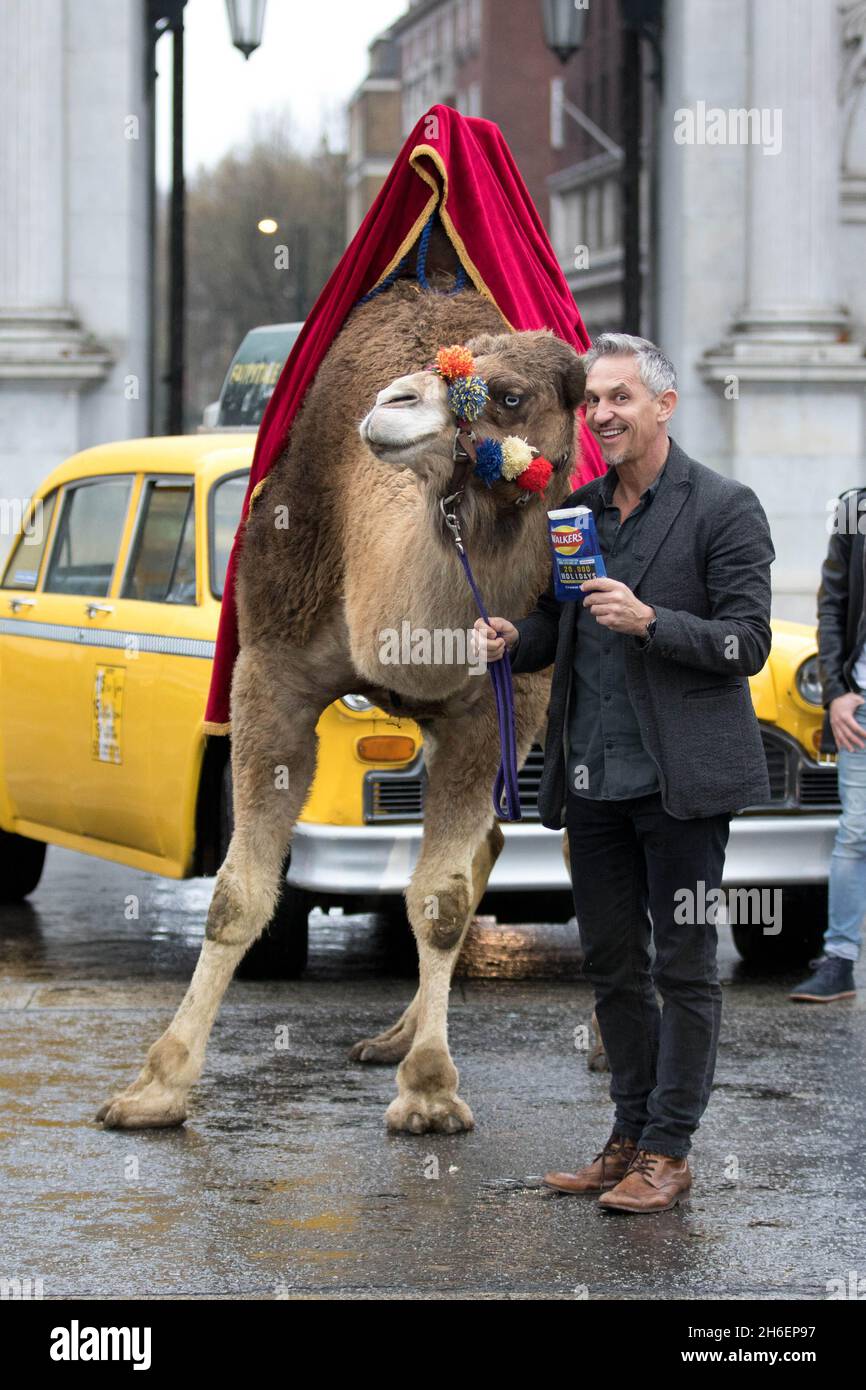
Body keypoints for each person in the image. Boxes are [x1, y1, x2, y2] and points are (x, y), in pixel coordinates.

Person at [475, 333, 775, 1214]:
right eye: (592, 402)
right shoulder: (577, 511)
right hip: (595, 782)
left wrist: (653, 621)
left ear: (664, 406)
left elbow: (746, 644)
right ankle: (628, 1135)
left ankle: (670, 1153)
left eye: (620, 399)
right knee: (612, 967)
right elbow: (557, 627)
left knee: (683, 968)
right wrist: (510, 640)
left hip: (681, 786)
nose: (602, 415)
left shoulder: (725, 507)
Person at [789, 490, 866, 1002]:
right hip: (860, 708)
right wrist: (836, 694)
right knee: (855, 834)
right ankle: (838, 961)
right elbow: (832, 604)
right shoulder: (854, 508)